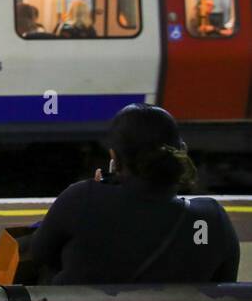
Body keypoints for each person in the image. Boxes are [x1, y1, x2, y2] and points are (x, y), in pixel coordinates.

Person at [25, 104, 239, 284]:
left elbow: (39, 255)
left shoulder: (82, 198)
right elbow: (225, 282)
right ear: (181, 151)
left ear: (114, 158)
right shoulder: (212, 219)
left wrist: (96, 204)